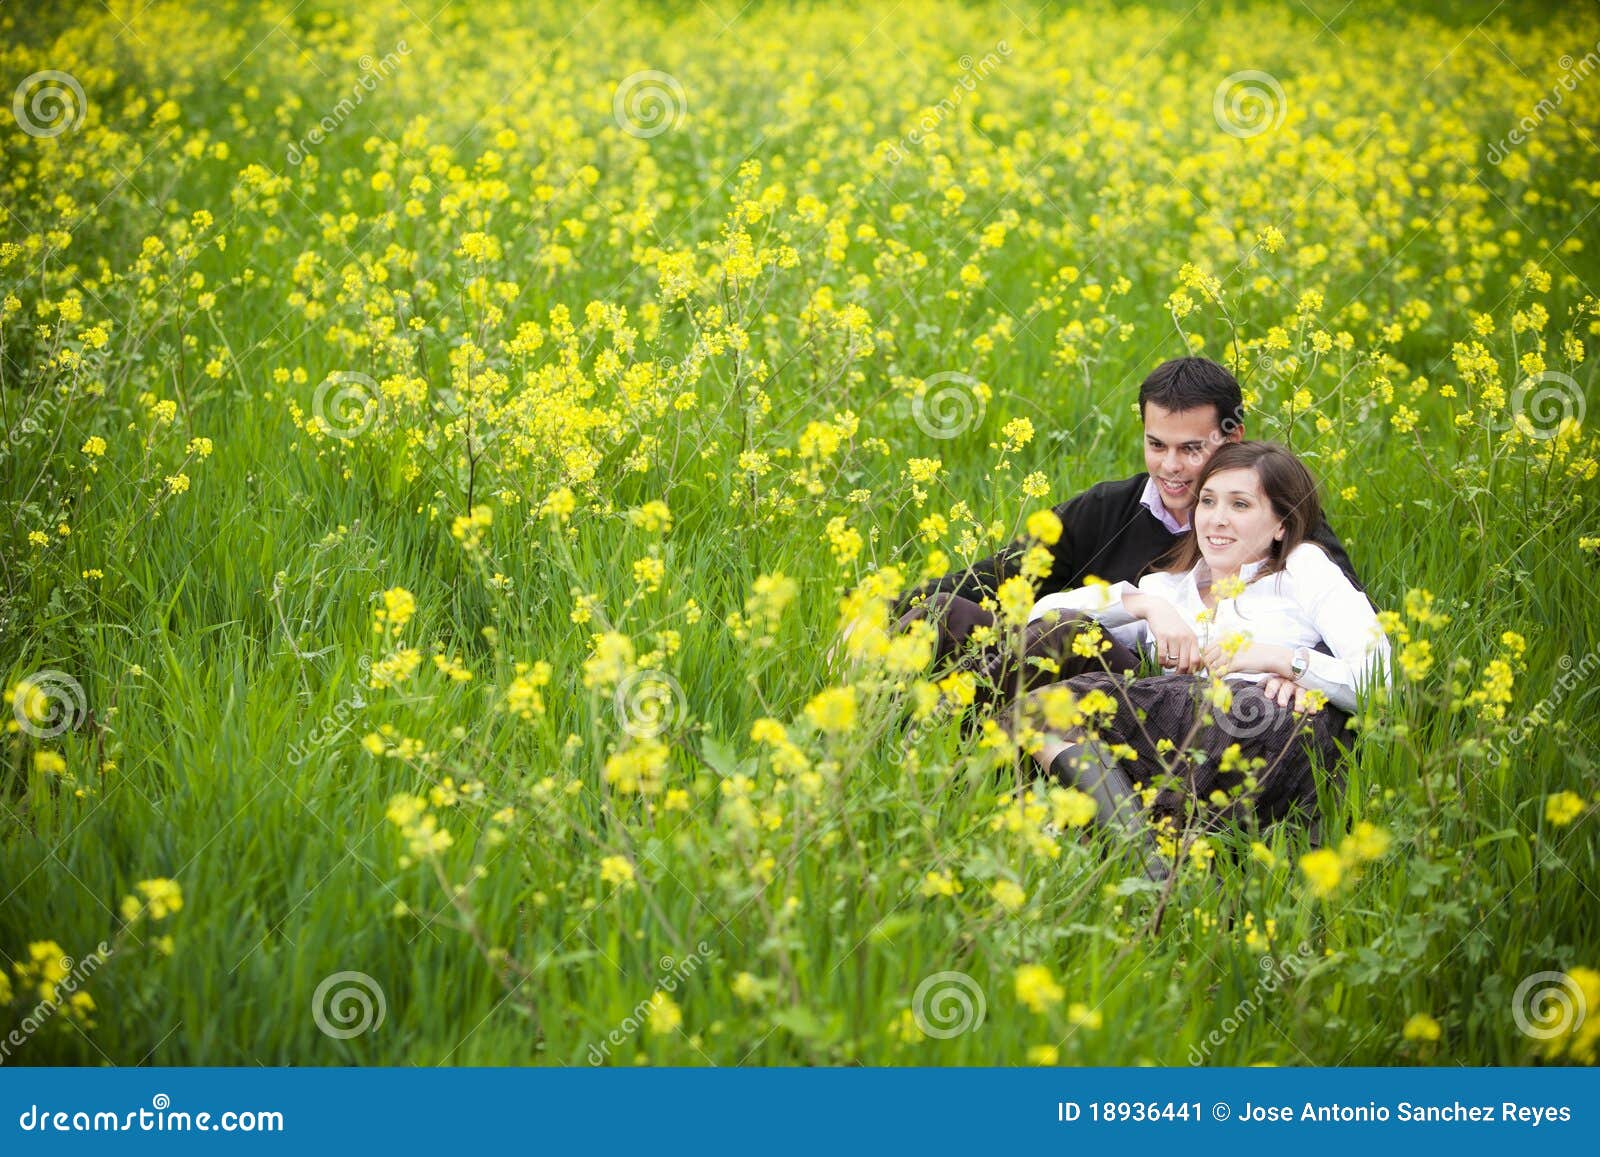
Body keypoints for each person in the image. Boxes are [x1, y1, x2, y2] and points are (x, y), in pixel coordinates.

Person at [885, 357, 1362, 715]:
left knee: (1067, 639)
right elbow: (998, 577)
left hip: (1149, 704)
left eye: (1191, 449)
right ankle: (931, 727)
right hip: (1059, 664)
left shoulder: (1285, 529)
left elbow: (1347, 631)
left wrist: (1298, 672)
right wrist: (881, 613)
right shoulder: (1110, 514)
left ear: (1232, 440)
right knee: (953, 615)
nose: (1170, 468)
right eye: (1157, 446)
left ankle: (958, 731)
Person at [1010, 441, 1391, 879]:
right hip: (1191, 744)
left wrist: (1287, 661)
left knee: (1051, 711)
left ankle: (1155, 867)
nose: (1217, 518)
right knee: (1040, 715)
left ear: (1282, 525)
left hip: (1276, 732)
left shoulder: (1302, 569)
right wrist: (1142, 606)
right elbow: (1043, 616)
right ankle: (1155, 868)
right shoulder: (1169, 590)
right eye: (1207, 501)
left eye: (1241, 504)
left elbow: (1382, 683)